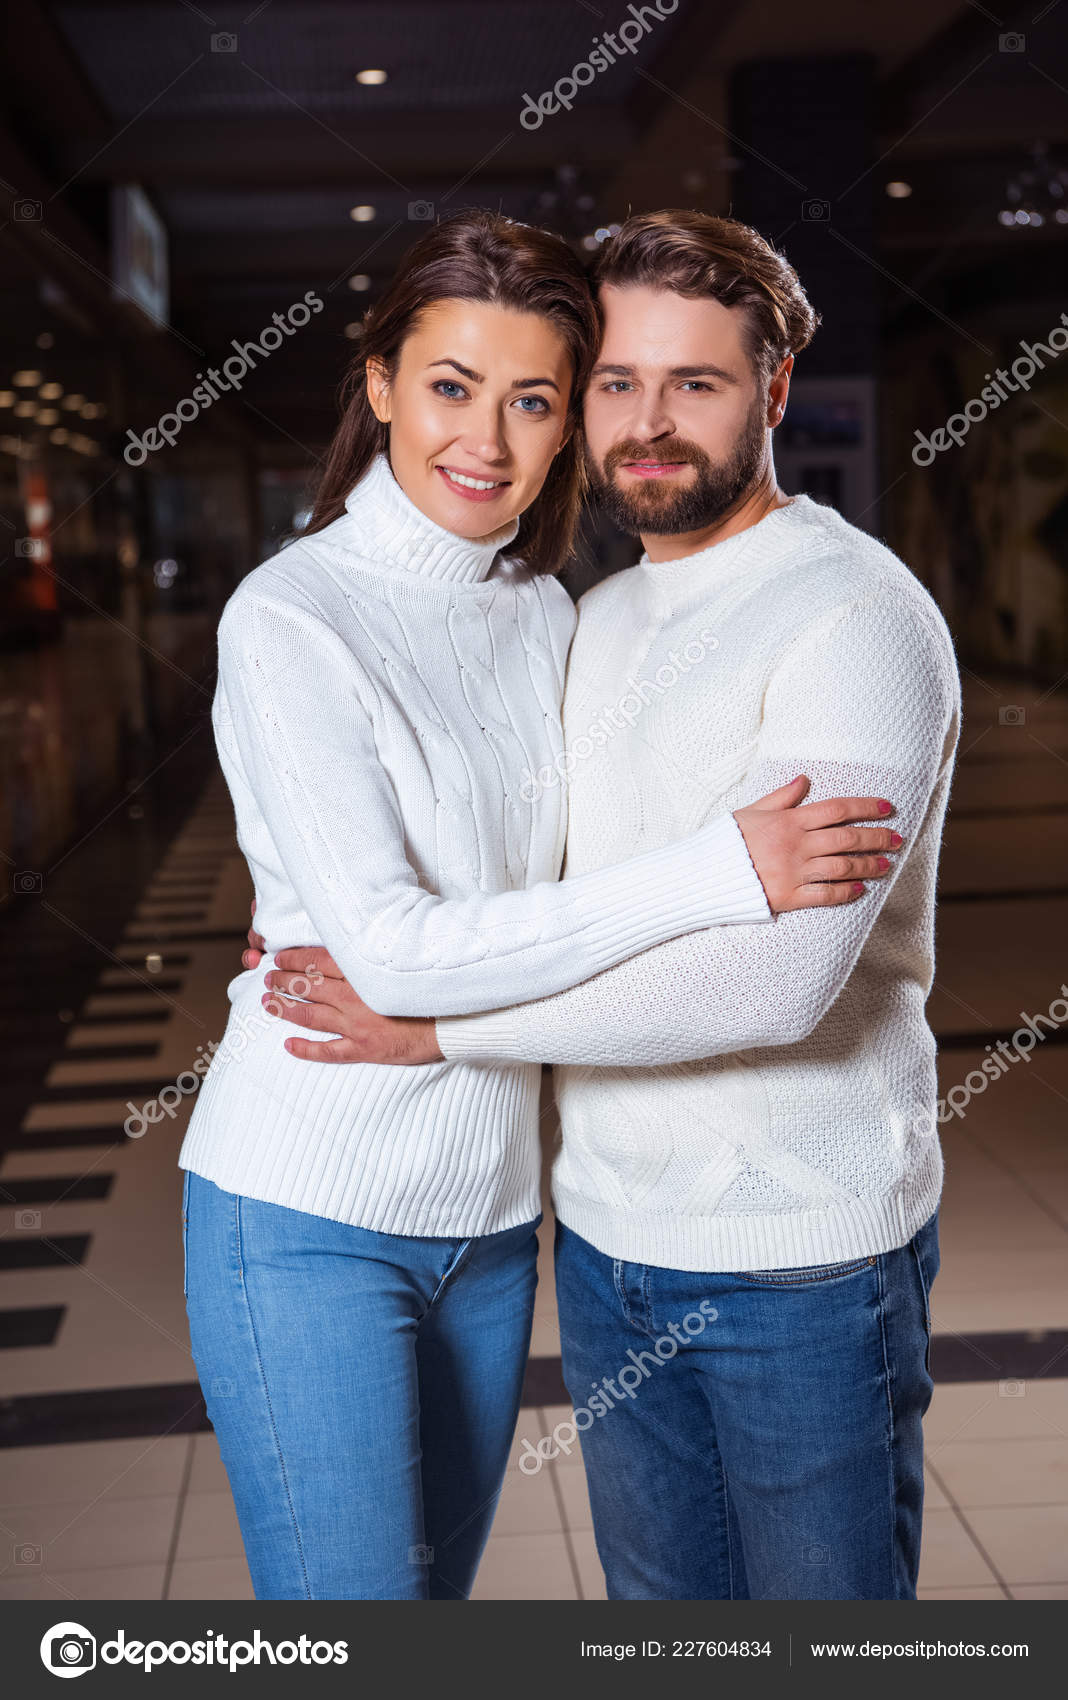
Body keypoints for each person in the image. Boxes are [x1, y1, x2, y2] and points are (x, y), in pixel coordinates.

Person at [245, 210, 959, 1602]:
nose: (647, 422)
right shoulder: (598, 612)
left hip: (800, 1261)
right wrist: (330, 889)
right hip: (615, 1244)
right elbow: (546, 883)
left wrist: (437, 1030)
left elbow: (772, 984)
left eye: (696, 383)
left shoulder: (856, 619)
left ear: (775, 390)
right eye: (615, 383)